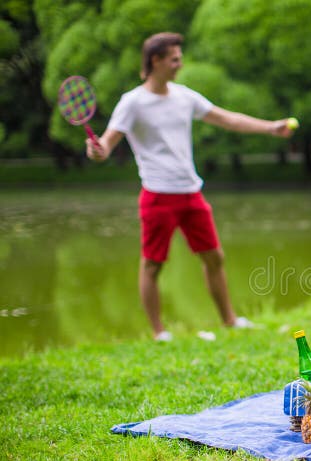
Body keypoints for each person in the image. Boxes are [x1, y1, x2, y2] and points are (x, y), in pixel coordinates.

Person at [86, 32, 295, 340]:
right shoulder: (132, 102)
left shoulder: (184, 96)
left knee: (214, 257)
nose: (179, 64)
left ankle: (230, 321)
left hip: (190, 192)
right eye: (174, 59)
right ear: (155, 61)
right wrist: (97, 150)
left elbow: (228, 119)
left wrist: (270, 127)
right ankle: (159, 333)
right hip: (157, 195)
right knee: (153, 265)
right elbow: (106, 142)